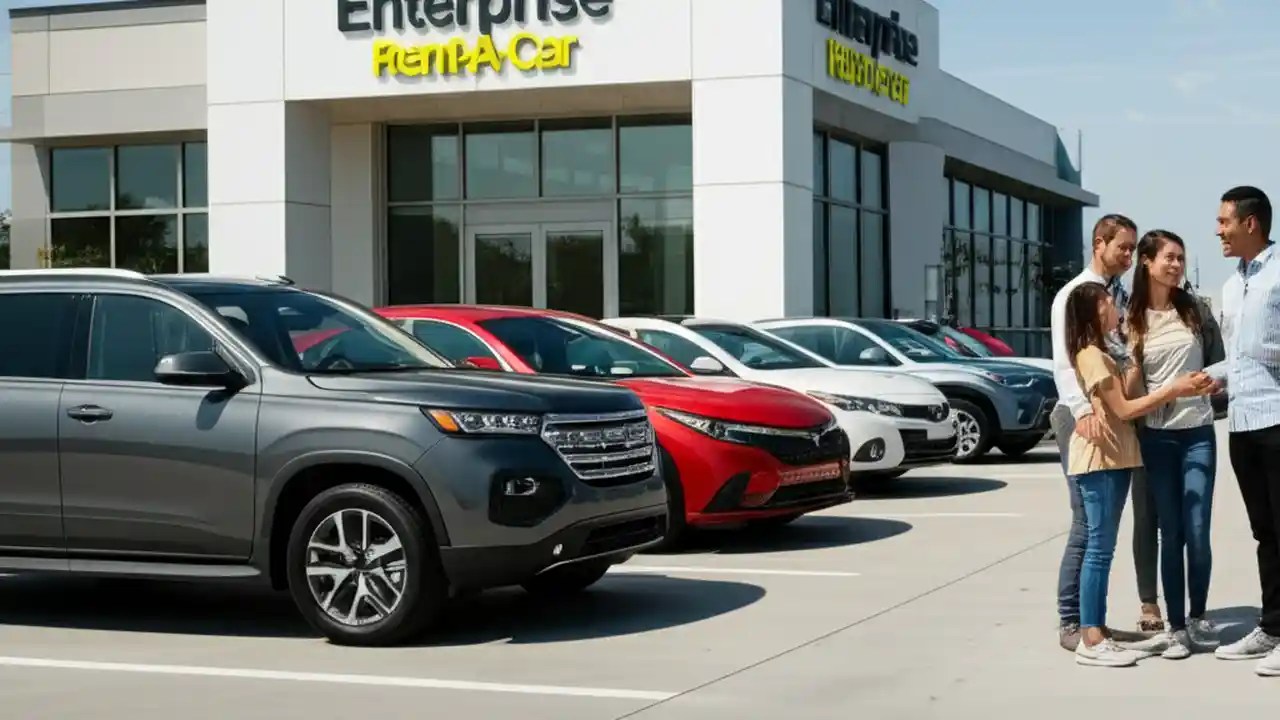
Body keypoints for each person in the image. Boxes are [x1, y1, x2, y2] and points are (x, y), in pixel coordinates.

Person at [1061, 281, 1213, 667]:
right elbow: (1126, 410)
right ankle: (1092, 638)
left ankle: (1097, 631)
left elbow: (1125, 392)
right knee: (1098, 549)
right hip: (1101, 461)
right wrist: (1173, 390)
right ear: (1095, 310)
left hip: (1115, 459)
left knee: (1102, 548)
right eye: (1108, 302)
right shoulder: (1091, 354)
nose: (1115, 307)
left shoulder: (1105, 350)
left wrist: (1131, 356)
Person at [1049, 214, 1163, 651]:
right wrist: (1081, 411)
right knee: (1087, 524)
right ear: (1100, 243)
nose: (1129, 255)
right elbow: (1065, 359)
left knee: (1103, 528)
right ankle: (1072, 622)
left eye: (1133, 248)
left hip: (1112, 413)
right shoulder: (1075, 296)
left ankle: (1093, 620)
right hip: (1083, 414)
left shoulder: (1118, 296)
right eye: (1123, 246)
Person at [1124, 229, 1226, 659]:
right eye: (1169, 257)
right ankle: (1177, 627)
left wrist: (1212, 382)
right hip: (1157, 438)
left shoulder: (1195, 310)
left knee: (1198, 531)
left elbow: (1221, 362)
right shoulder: (1131, 320)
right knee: (1171, 533)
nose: (1176, 265)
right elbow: (1130, 392)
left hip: (1198, 433)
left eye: (1181, 258)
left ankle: (1199, 616)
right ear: (1146, 261)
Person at [1203, 186, 1280, 676]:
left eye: (1224, 221)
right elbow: (1240, 356)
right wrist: (1217, 375)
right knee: (1265, 532)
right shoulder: (1232, 286)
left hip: (1279, 419)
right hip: (1243, 421)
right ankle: (1272, 626)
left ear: (1250, 224)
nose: (1218, 231)